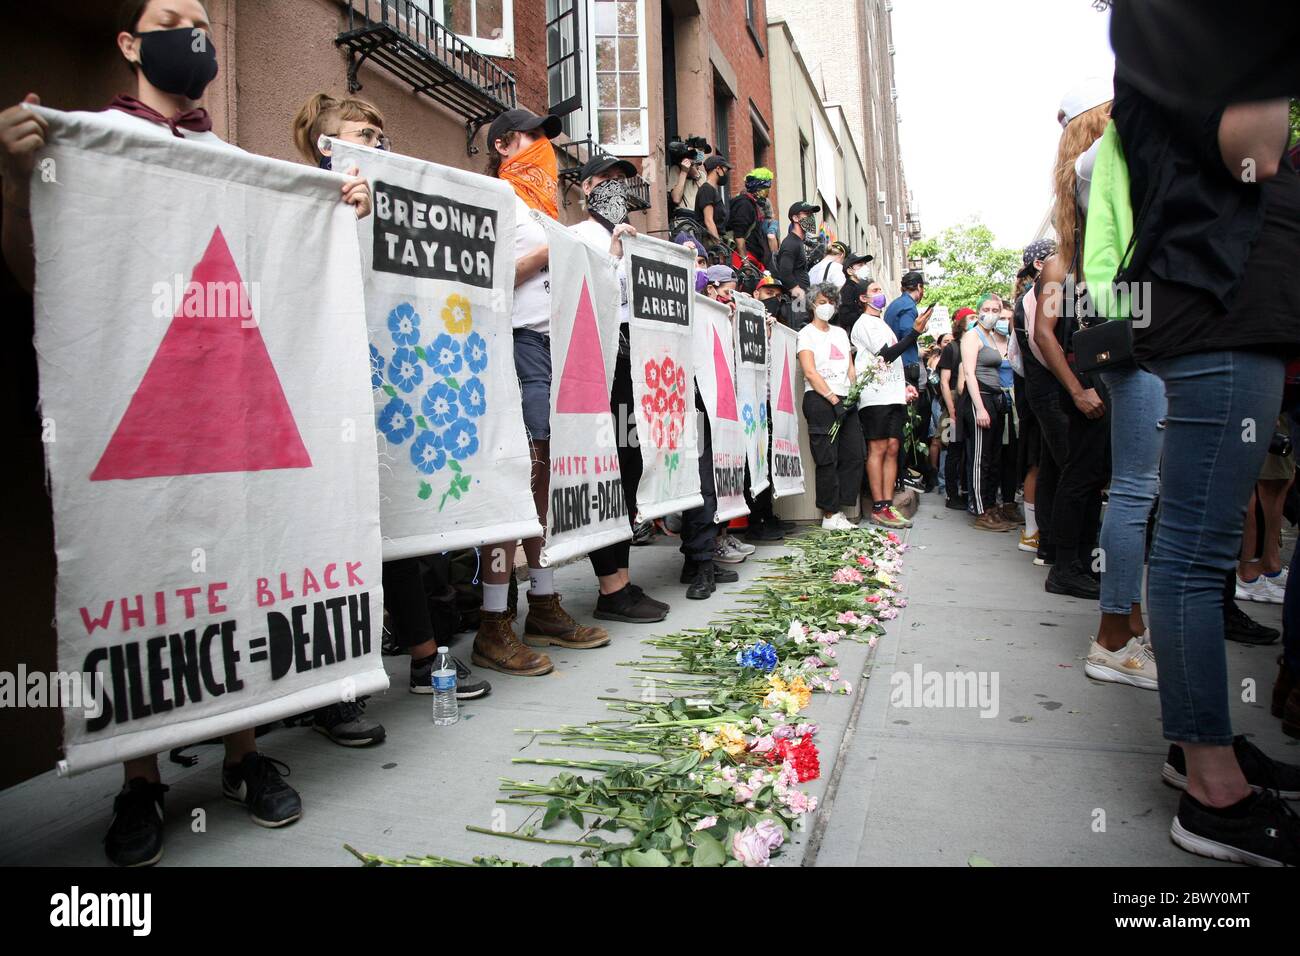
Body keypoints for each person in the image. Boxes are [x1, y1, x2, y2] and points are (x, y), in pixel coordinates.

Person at [0, 0, 372, 865]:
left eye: (203, 17)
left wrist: (332, 210)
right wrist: (19, 182)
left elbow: (285, 274)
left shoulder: (231, 163)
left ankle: (245, 757)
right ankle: (140, 782)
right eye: (173, 16)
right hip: (135, 417)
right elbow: (37, 277)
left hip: (237, 413)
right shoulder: (83, 141)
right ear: (131, 42)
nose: (193, 30)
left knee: (243, 572)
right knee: (137, 577)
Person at [1097, 69, 1300, 864]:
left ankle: (1200, 748)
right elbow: (1255, 150)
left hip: (1229, 303)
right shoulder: (1207, 32)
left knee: (1195, 542)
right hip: (1220, 304)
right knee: (1194, 547)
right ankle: (1214, 793)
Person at [291, 93, 490, 742]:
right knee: (326, 546)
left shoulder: (389, 210)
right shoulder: (292, 203)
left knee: (399, 534)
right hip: (314, 404)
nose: (377, 146)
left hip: (384, 402)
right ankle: (333, 690)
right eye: (360, 135)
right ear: (327, 146)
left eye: (381, 136)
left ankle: (427, 661)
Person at [473, 108, 611, 678]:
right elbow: (482, 279)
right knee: (521, 475)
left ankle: (544, 603)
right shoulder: (492, 197)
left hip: (556, 350)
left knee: (547, 478)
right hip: (518, 348)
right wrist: (550, 254)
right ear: (504, 144)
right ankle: (492, 623)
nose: (545, 149)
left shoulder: (543, 209)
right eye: (534, 137)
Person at [1033, 86, 1112, 600]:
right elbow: (1043, 333)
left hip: (1098, 378)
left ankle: (1080, 561)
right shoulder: (1062, 260)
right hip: (1081, 384)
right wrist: (1077, 389)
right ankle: (1066, 566)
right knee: (1080, 476)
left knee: (1091, 477)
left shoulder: (1084, 250)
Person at [852, 279, 930, 528]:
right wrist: (915, 333)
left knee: (894, 447)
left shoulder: (883, 324)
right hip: (875, 397)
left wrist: (903, 384)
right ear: (863, 298)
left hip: (893, 394)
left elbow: (893, 362)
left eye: (880, 290)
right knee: (878, 448)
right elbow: (885, 355)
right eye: (874, 291)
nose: (880, 294)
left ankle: (887, 505)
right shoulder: (864, 324)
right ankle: (879, 506)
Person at [797, 283, 863, 530]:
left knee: (854, 454)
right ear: (813, 303)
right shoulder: (806, 334)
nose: (827, 306)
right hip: (820, 399)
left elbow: (850, 366)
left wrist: (854, 391)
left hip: (846, 399)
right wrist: (833, 400)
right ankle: (829, 513)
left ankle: (842, 507)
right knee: (827, 459)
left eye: (832, 302)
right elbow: (810, 372)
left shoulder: (840, 333)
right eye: (823, 301)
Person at [961, 294, 1016, 532]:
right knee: (980, 458)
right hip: (980, 398)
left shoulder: (993, 337)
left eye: (996, 309)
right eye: (987, 308)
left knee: (993, 458)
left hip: (995, 398)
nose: (991, 313)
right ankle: (981, 510)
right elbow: (970, 374)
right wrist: (980, 407)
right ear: (979, 310)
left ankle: (992, 506)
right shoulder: (972, 336)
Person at [939, 307, 973, 510]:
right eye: (972, 317)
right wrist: (951, 410)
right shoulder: (952, 348)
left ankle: (967, 490)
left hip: (969, 403)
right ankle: (951, 495)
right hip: (954, 403)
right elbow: (944, 382)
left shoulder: (977, 345)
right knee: (953, 450)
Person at [724, 167, 774, 272]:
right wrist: (745, 262)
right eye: (765, 190)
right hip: (742, 260)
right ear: (757, 189)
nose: (767, 194)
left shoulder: (752, 204)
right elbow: (739, 235)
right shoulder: (744, 204)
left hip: (754, 259)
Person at [777, 201, 819, 301]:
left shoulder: (798, 241)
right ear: (795, 218)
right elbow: (785, 272)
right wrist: (797, 290)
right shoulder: (791, 243)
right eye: (807, 214)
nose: (811, 218)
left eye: (812, 214)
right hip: (796, 301)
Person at [695, 155, 730, 246]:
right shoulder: (707, 189)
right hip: (709, 243)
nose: (727, 174)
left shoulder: (712, 190)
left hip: (713, 240)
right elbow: (709, 220)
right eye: (725, 170)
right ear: (718, 169)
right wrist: (718, 246)